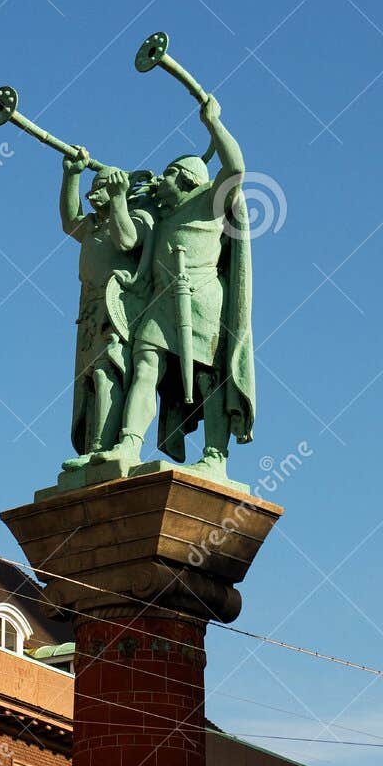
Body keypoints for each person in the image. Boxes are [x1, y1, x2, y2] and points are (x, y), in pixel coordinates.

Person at [93, 95, 254, 481]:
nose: (160, 181)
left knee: (207, 377)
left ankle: (215, 455)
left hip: (202, 299)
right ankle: (130, 442)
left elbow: (235, 168)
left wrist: (213, 123)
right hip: (163, 301)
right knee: (145, 365)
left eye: (167, 174)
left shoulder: (210, 200)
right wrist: (118, 196)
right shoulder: (160, 215)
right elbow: (127, 239)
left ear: (185, 179)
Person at [59, 148, 153, 470]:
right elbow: (69, 222)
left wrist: (119, 199)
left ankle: (102, 448)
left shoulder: (135, 218)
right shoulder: (92, 225)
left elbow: (126, 241)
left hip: (117, 309)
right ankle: (93, 448)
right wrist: (71, 175)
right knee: (89, 381)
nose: (91, 195)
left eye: (98, 188)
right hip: (89, 311)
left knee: (107, 372)